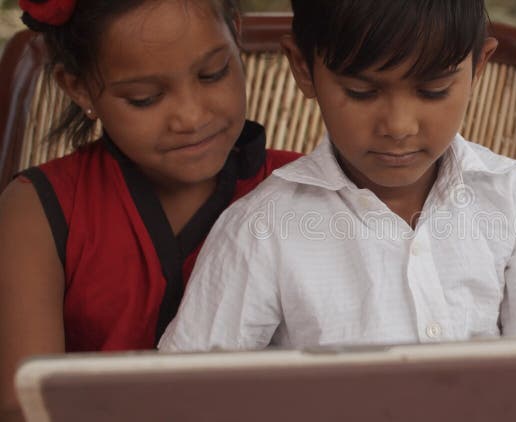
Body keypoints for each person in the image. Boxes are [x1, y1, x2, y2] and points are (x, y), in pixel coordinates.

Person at [159, 0, 516, 352]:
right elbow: (191, 389)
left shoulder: (515, 199)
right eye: (362, 92)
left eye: (433, 90)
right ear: (302, 67)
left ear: (479, 67)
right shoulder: (261, 230)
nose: (399, 125)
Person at [0, 0, 301, 417]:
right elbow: (25, 405)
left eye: (213, 74)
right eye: (144, 98)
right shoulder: (38, 211)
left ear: (236, 36)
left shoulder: (305, 190)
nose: (191, 117)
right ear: (78, 88)